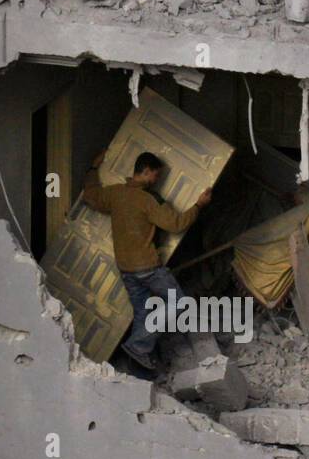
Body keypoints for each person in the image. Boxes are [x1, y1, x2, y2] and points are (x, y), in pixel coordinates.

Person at [81, 150, 212, 373]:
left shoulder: (115, 194)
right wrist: (199, 205)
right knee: (179, 303)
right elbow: (177, 223)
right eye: (156, 176)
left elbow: (90, 195)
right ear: (146, 170)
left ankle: (138, 370)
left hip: (126, 269)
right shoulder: (147, 200)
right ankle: (137, 345)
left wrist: (94, 168)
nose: (156, 181)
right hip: (148, 268)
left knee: (143, 314)